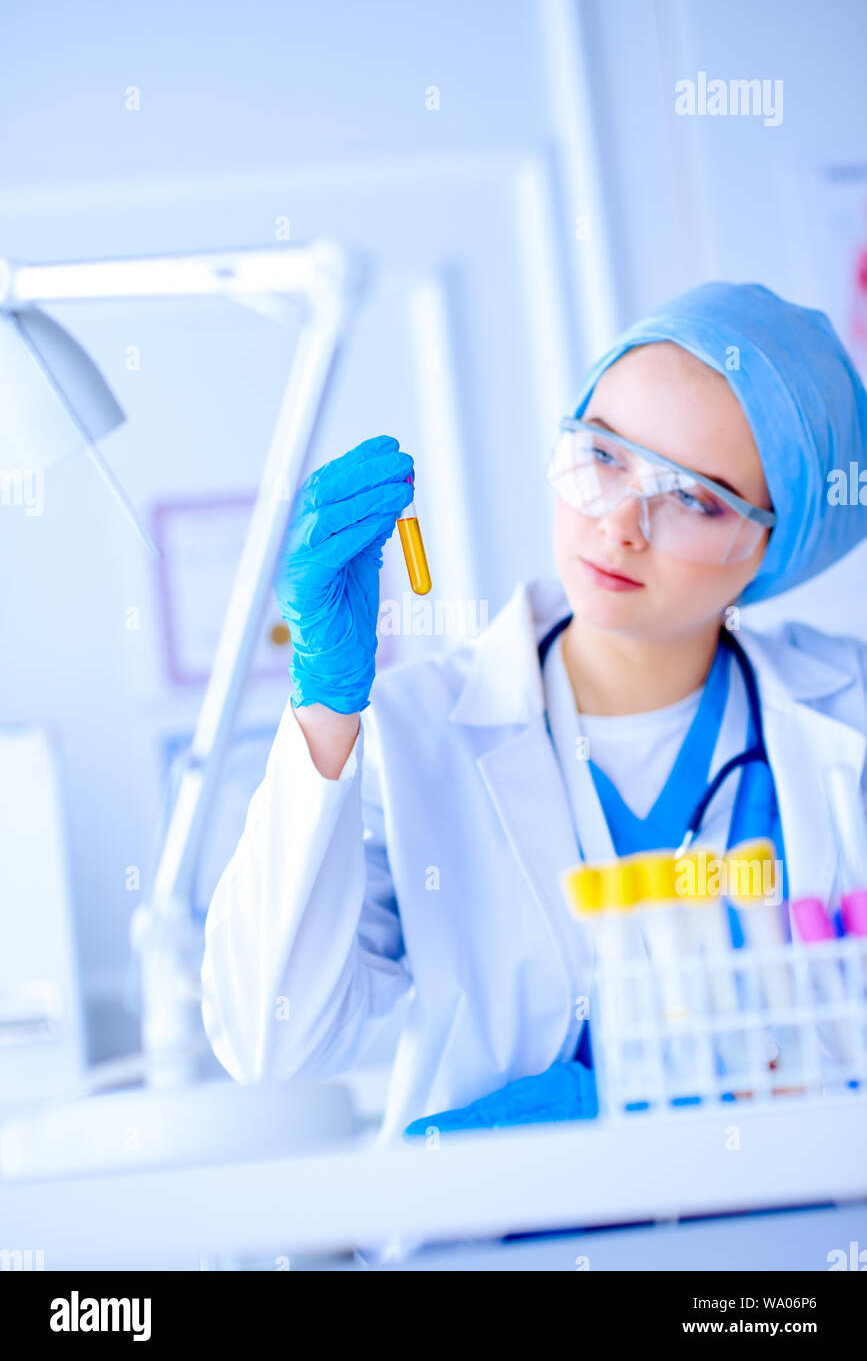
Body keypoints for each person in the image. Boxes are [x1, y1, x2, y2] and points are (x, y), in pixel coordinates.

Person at [200, 281, 867, 1142]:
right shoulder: (414, 730)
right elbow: (271, 1041)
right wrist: (325, 713)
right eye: (603, 456)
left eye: (694, 497)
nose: (621, 524)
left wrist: (635, 1101)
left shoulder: (845, 718)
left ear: (778, 543)